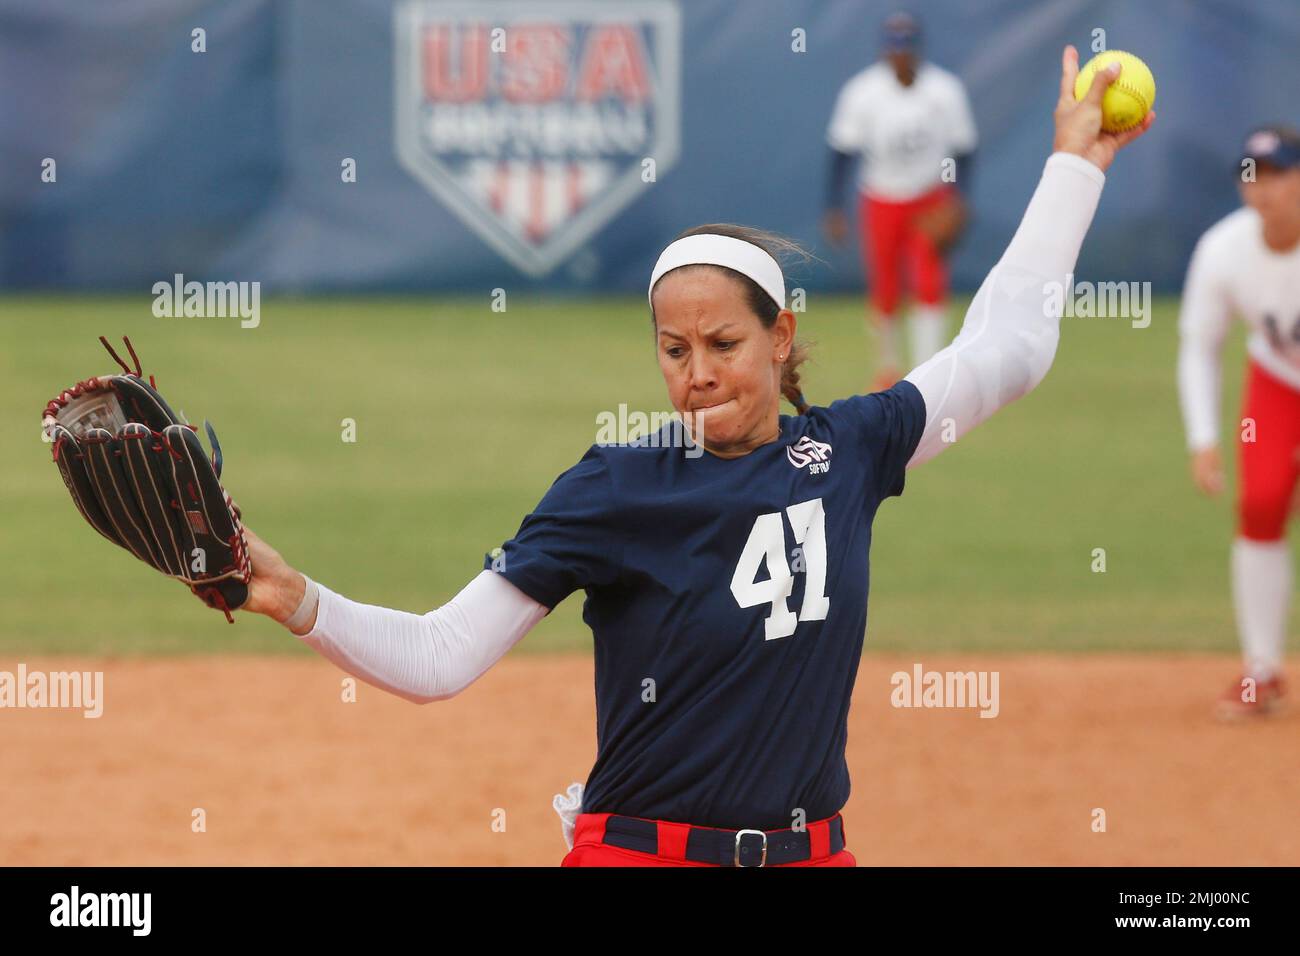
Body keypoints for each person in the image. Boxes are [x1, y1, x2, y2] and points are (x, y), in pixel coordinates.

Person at [236, 47, 1151, 866]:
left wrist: (1076, 162)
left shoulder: (853, 449)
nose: (698, 375)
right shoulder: (618, 483)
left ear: (781, 337)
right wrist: (293, 597)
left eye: (724, 344)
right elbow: (440, 657)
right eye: (674, 351)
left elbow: (1011, 350)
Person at [1177, 126, 1300, 720]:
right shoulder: (1224, 248)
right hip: (1278, 382)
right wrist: (1203, 439)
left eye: (1277, 173)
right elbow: (1199, 347)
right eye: (1252, 176)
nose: (1262, 188)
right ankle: (1261, 670)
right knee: (1261, 503)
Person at [822, 11, 978, 391]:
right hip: (881, 195)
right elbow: (842, 153)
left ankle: (931, 371)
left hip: (929, 196)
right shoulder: (863, 92)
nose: (900, 56)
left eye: (906, 48)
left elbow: (962, 151)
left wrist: (955, 199)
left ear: (918, 50)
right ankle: (888, 369)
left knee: (928, 281)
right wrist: (834, 207)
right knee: (885, 286)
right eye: (894, 49)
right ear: (884, 52)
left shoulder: (944, 90)